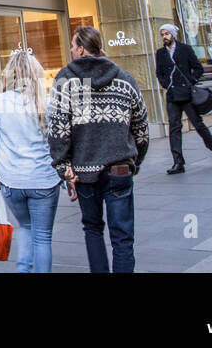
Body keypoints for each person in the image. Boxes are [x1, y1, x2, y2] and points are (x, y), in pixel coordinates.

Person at [47, 25, 149, 273]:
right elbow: (141, 128)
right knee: (123, 236)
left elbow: (57, 130)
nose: (71, 50)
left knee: (92, 228)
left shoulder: (66, 81)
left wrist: (63, 168)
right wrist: (136, 160)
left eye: (72, 46)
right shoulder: (125, 80)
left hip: (84, 171)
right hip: (120, 168)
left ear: (81, 48)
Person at [0, 48, 61, 272]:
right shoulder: (47, 101)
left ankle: (23, 269)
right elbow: (58, 141)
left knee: (25, 227)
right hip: (43, 178)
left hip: (11, 179)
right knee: (43, 237)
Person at [154, 23, 212, 173]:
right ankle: (178, 162)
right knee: (174, 128)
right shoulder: (160, 53)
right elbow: (159, 72)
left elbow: (198, 68)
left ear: (173, 34)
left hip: (187, 95)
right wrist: (166, 84)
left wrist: (190, 81)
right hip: (172, 95)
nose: (164, 37)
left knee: (198, 125)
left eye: (167, 34)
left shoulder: (185, 49)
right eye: (162, 34)